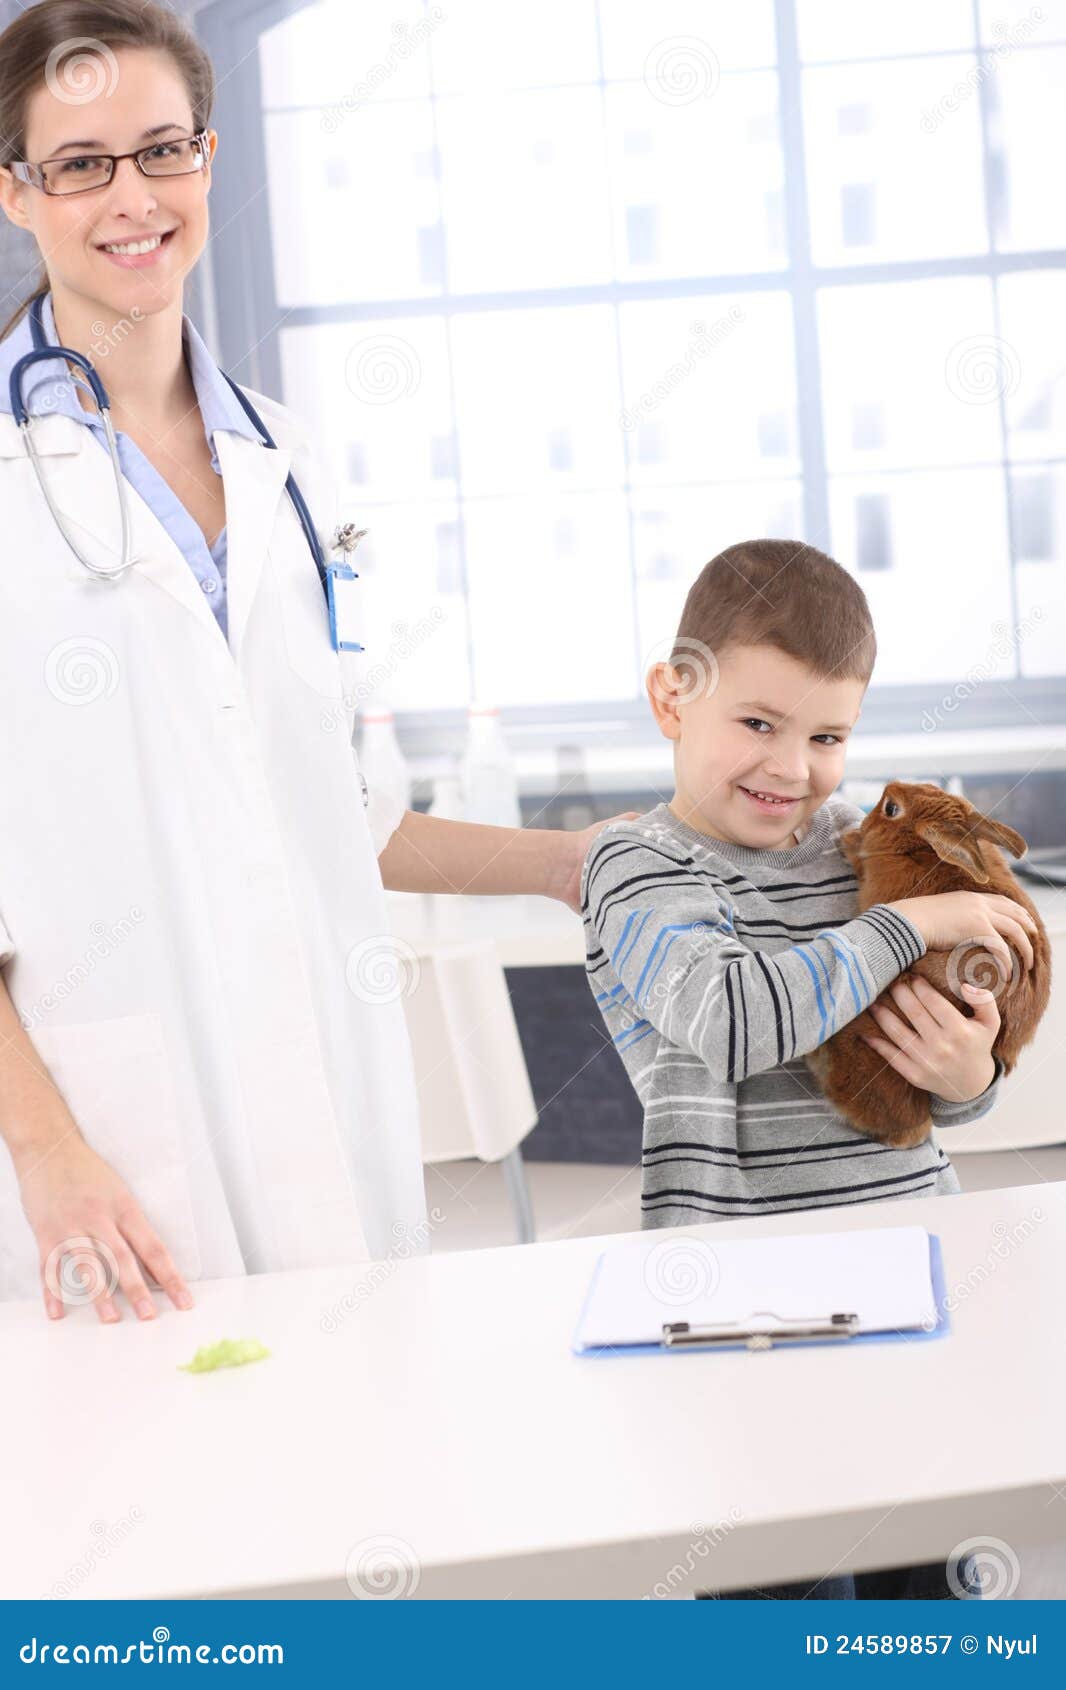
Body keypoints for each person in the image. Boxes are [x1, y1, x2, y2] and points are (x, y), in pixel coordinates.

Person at [0, 0, 620, 1324]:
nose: (132, 196)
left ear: (208, 162)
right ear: (16, 192)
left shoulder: (287, 464)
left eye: (163, 149)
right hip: (96, 1152)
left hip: (328, 1111)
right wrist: (46, 1153)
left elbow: (327, 808)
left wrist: (578, 861)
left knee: (355, 1468)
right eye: (82, 162)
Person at [581, 538, 1038, 1600]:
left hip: (913, 1273)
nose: (792, 767)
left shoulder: (862, 847)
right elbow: (733, 1020)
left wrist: (970, 1077)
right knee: (785, 1611)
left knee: (935, 1599)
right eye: (757, 723)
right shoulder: (639, 865)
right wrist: (906, 921)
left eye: (828, 735)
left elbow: (926, 1085)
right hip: (744, 1310)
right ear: (671, 697)